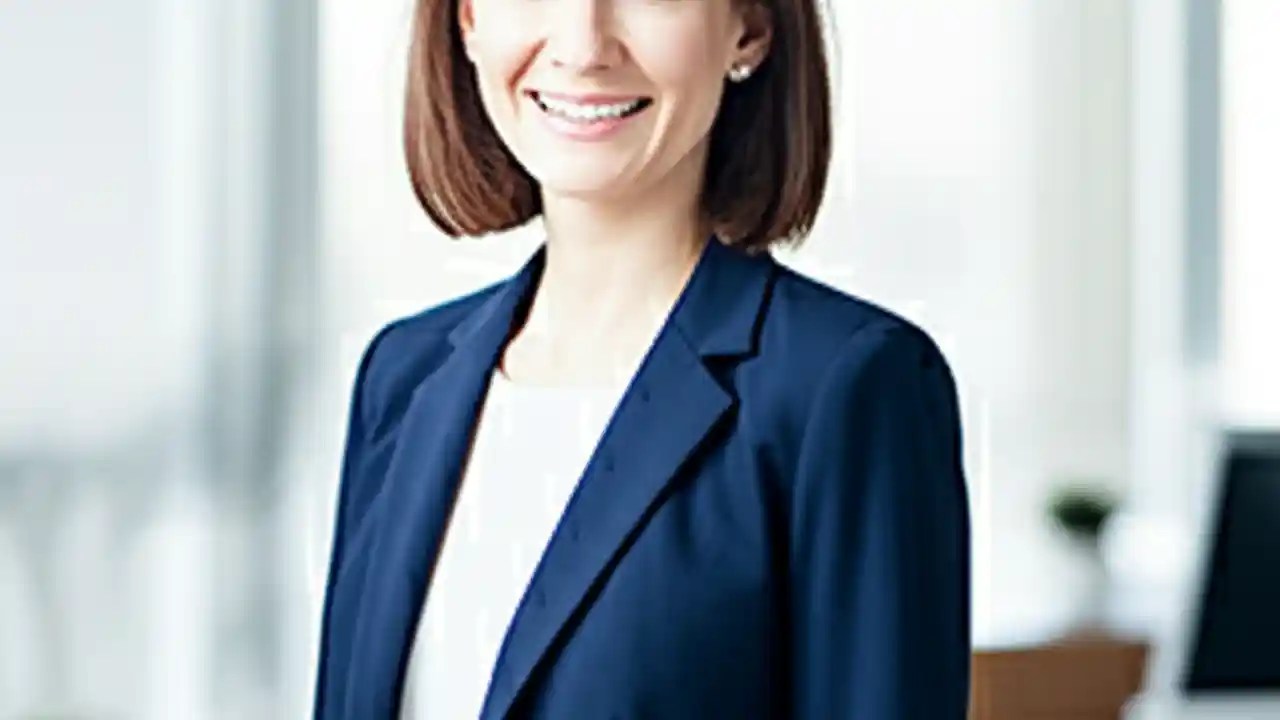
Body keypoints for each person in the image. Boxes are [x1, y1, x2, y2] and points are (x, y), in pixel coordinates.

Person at [312, 0, 971, 717]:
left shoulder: (847, 389)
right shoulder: (403, 380)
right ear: (467, 19)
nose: (583, 44)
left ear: (748, 27)